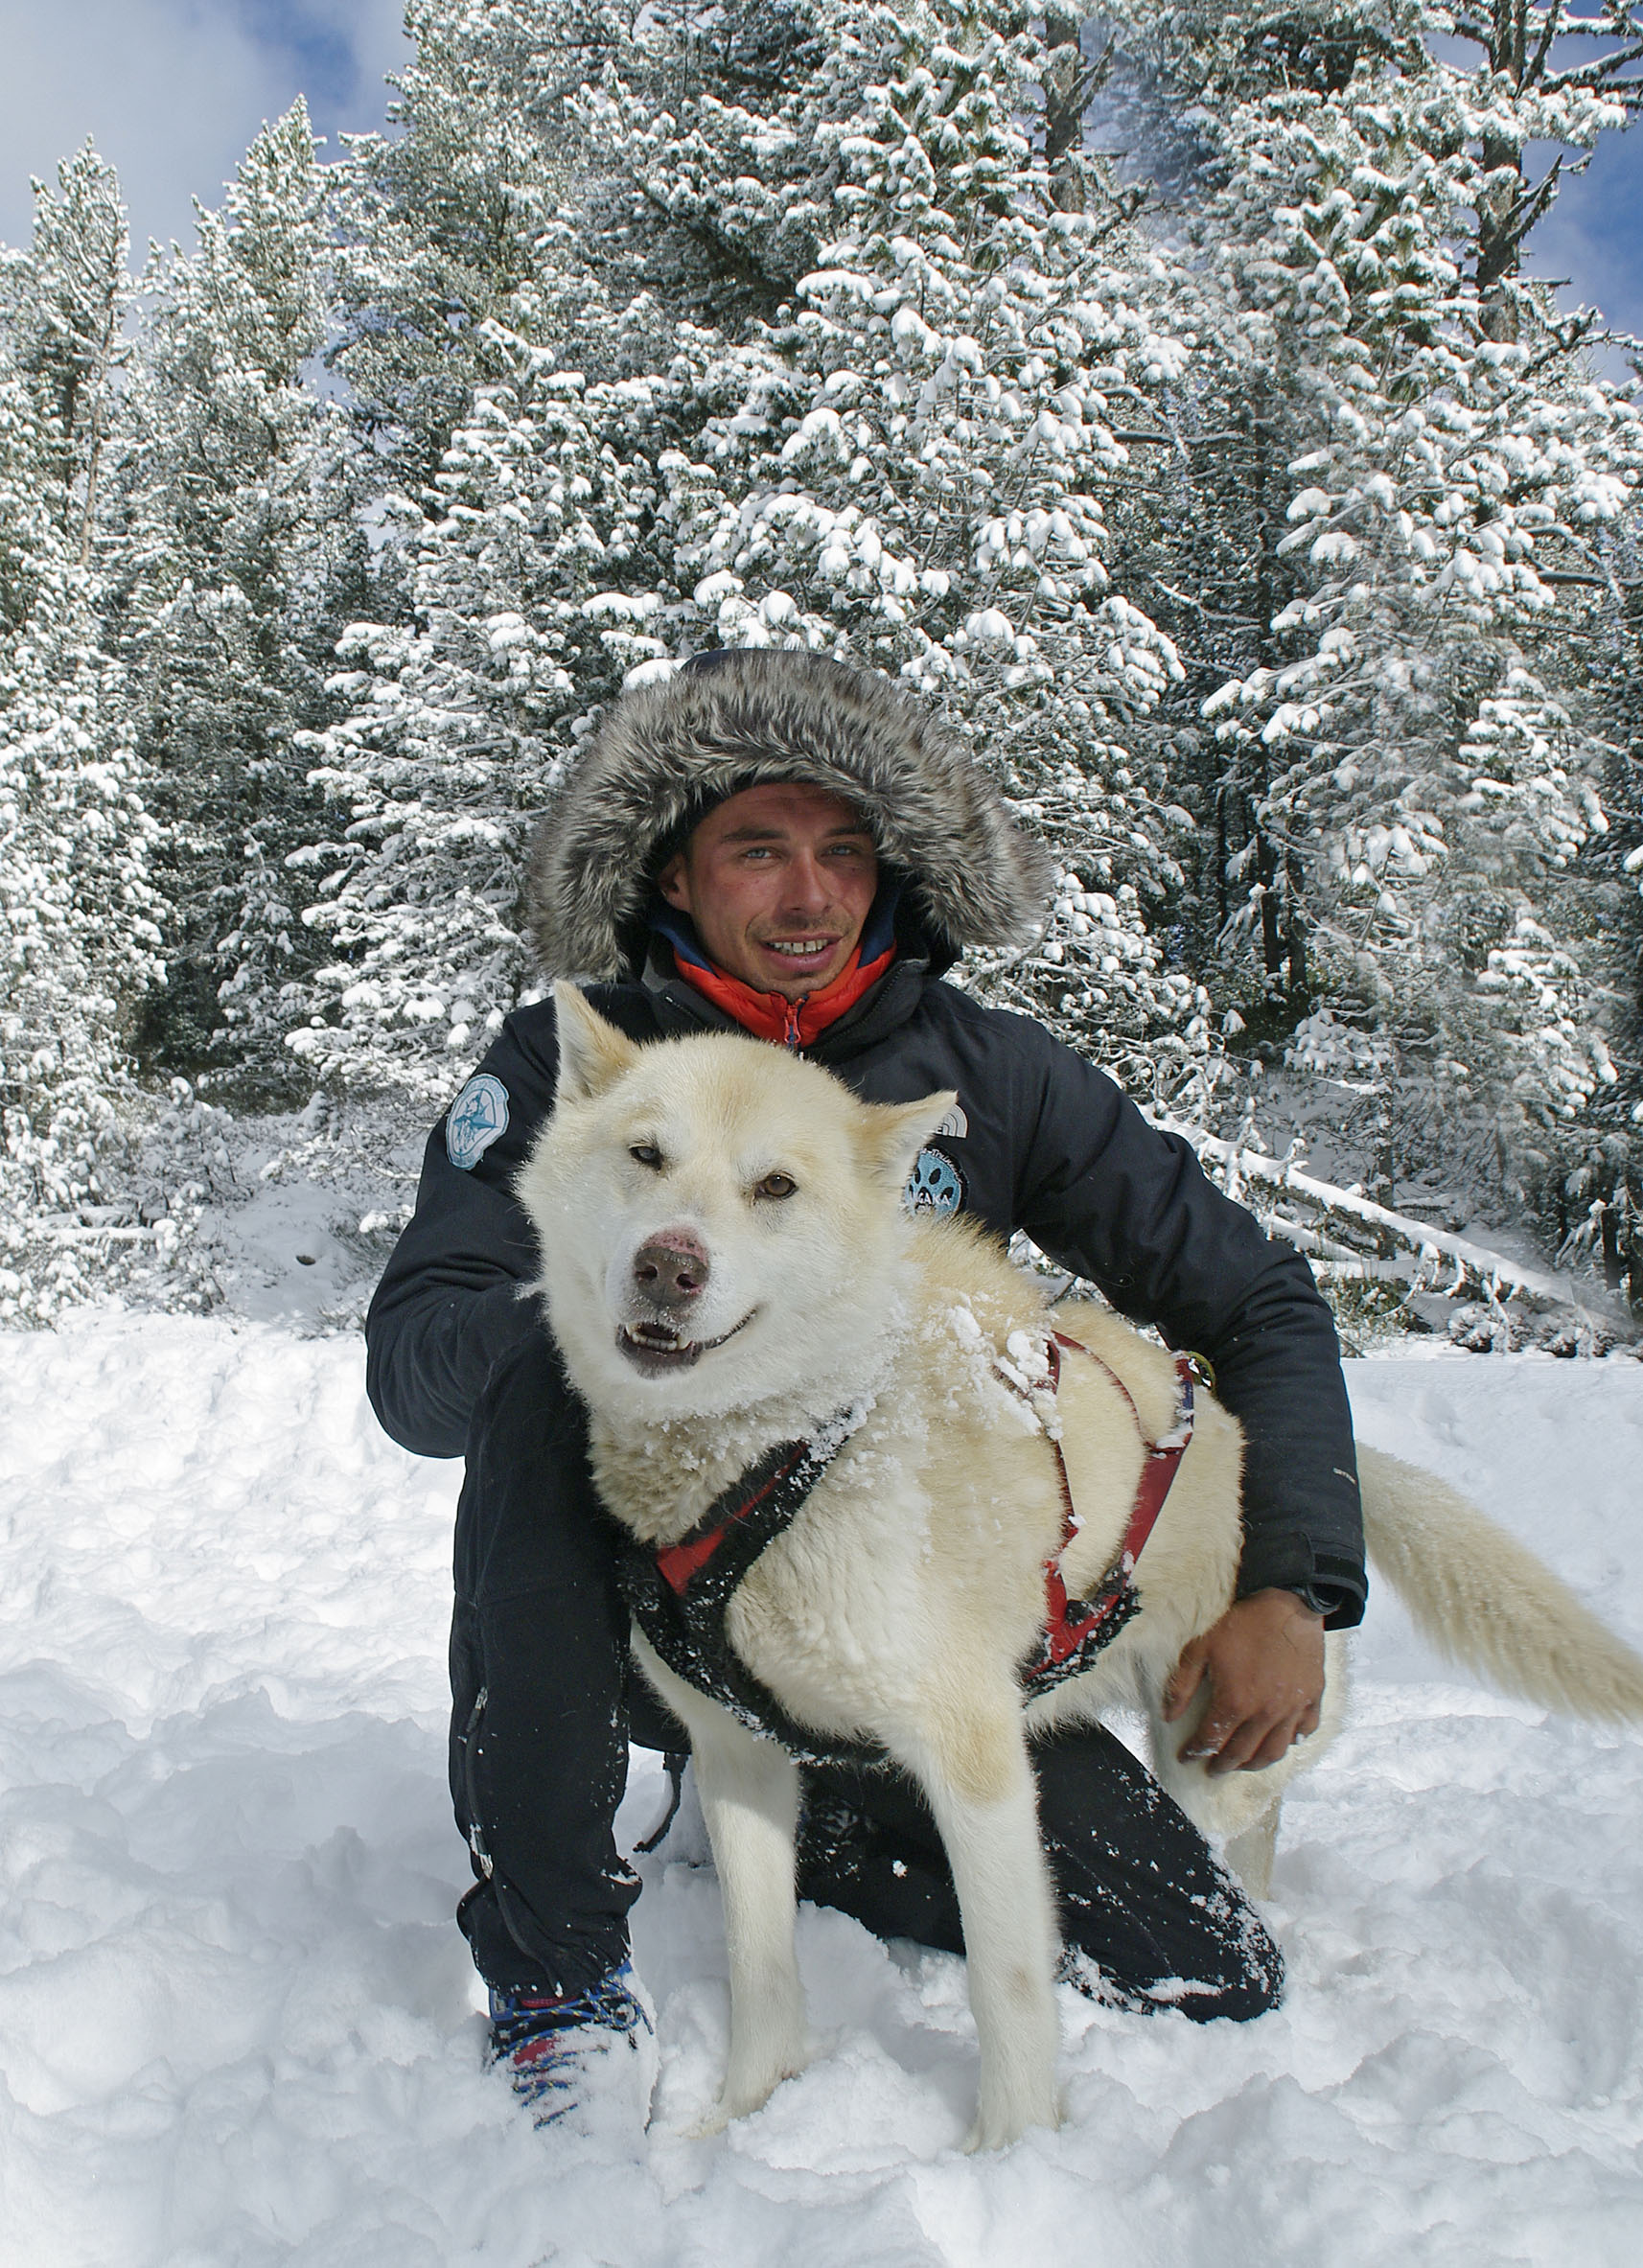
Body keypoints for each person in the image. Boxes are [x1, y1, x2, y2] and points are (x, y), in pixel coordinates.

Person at [365, 649, 1366, 2127]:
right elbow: (415, 1370)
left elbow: (1261, 1302)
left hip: (893, 1631)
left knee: (1203, 1964)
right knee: (544, 1359)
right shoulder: (587, 1067)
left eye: (843, 851)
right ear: (674, 873)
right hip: (641, 1620)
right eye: (757, 849)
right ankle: (560, 1969)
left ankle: (823, 1816)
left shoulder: (987, 1076)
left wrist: (1293, 1585)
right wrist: (587, 1318)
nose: (809, 895)